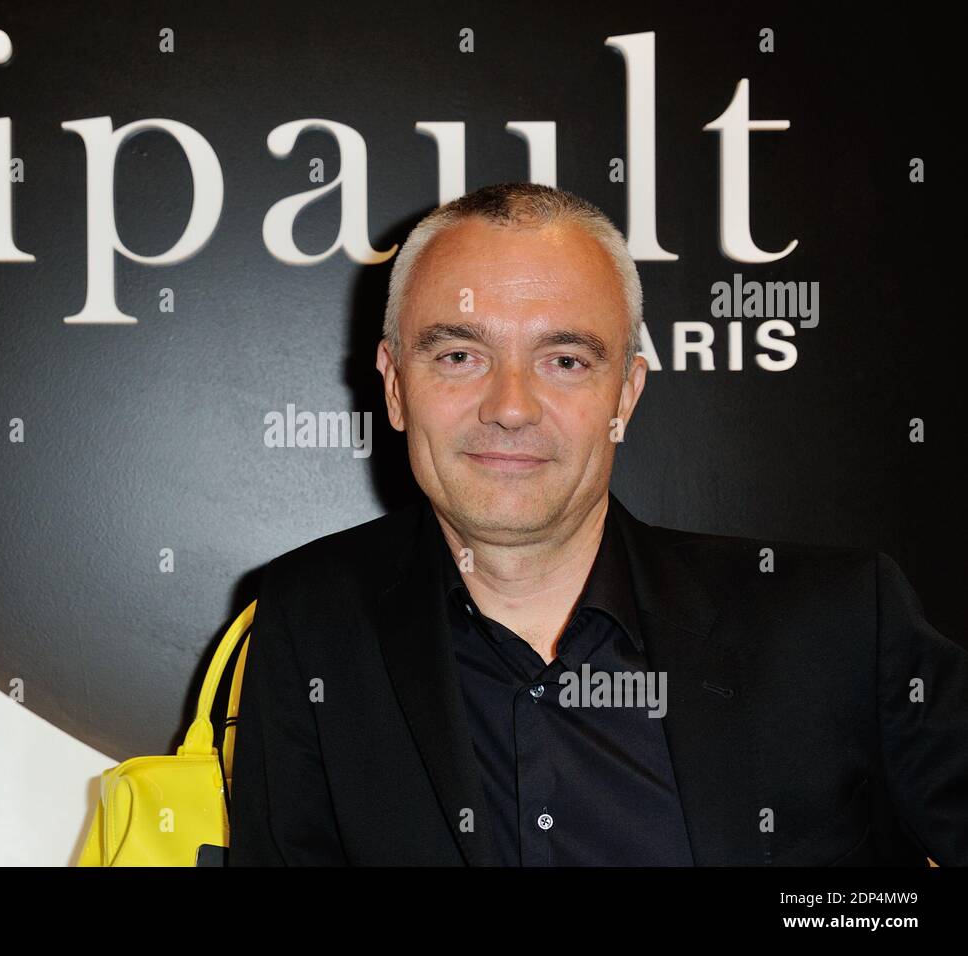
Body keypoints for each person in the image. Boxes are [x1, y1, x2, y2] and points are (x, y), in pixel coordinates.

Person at [227, 181, 967, 866]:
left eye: (566, 361)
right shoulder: (313, 615)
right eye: (458, 354)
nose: (509, 406)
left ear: (627, 394)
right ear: (394, 389)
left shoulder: (837, 621)